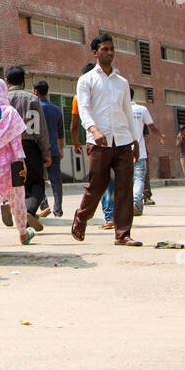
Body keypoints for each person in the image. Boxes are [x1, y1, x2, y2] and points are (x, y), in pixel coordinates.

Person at [71, 34, 141, 247]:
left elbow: (127, 112)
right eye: (105, 49)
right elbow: (83, 108)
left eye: (112, 49)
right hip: (98, 142)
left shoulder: (122, 82)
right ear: (95, 52)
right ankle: (81, 217)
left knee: (124, 187)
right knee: (97, 185)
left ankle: (122, 234)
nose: (109, 53)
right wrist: (93, 129)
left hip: (122, 141)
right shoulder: (87, 80)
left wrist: (135, 140)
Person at [0, 78, 36, 246]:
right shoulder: (10, 113)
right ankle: (22, 233)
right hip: (11, 165)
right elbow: (16, 143)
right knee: (18, 198)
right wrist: (22, 163)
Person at [5, 66, 50, 223]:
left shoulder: (1, 99)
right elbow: (41, 128)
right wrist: (46, 152)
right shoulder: (32, 99)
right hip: (29, 145)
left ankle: (9, 203)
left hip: (7, 146)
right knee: (36, 182)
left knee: (14, 181)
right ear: (23, 81)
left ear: (7, 81)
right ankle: (30, 210)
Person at [33, 80, 65, 217]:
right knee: (56, 180)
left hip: (37, 149)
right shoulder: (56, 110)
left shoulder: (33, 108)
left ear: (35, 91)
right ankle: (58, 210)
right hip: (53, 149)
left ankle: (44, 205)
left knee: (38, 179)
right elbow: (60, 132)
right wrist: (61, 148)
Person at [129, 88, 157, 217]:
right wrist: (161, 135)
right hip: (139, 151)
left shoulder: (118, 110)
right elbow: (150, 128)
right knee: (139, 178)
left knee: (126, 179)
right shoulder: (141, 110)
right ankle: (136, 203)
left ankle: (129, 205)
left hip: (122, 151)